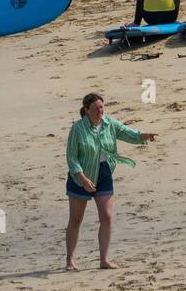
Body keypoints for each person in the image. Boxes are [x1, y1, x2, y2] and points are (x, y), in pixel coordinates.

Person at [65, 93, 154, 271]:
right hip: (81, 176)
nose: (100, 110)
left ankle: (104, 260)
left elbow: (126, 133)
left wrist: (143, 136)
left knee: (106, 216)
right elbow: (71, 157)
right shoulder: (78, 128)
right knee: (76, 219)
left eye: (102, 107)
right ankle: (70, 260)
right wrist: (82, 178)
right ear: (87, 109)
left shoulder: (109, 123)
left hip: (104, 172)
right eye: (97, 108)